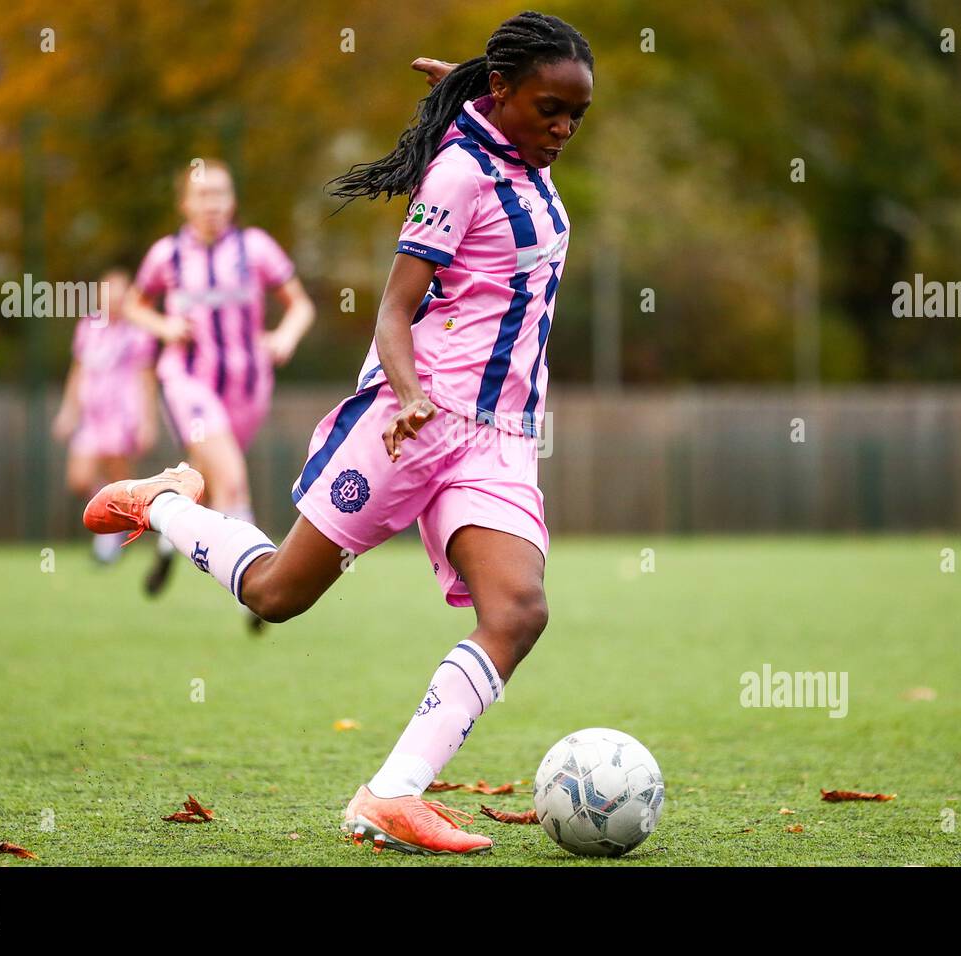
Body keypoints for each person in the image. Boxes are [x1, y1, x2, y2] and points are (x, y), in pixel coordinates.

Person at [86, 11, 593, 854]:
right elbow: (393, 312)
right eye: (551, 108)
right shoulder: (460, 176)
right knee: (277, 596)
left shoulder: (517, 155)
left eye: (577, 114)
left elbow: (502, 132)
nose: (565, 128)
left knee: (519, 611)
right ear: (505, 93)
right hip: (415, 424)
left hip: (501, 438)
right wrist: (407, 397)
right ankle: (166, 504)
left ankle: (391, 795)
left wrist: (473, 94)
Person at [123, 160, 316, 628]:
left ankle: (169, 538)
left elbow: (300, 306)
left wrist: (285, 336)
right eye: (202, 194)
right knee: (230, 478)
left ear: (233, 201)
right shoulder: (166, 256)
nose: (212, 204)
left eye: (221, 194)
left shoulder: (255, 249)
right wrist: (164, 324)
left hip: (248, 388)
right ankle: (254, 589)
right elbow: (133, 304)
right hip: (188, 383)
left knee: (202, 481)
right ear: (184, 203)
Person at [53, 268, 159, 564]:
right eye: (107, 293)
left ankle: (110, 540)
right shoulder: (88, 328)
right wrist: (68, 410)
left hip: (122, 415)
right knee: (79, 478)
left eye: (120, 294)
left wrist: (147, 421)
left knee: (118, 478)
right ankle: (115, 528)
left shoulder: (138, 332)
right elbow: (79, 371)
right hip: (92, 417)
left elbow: (146, 377)